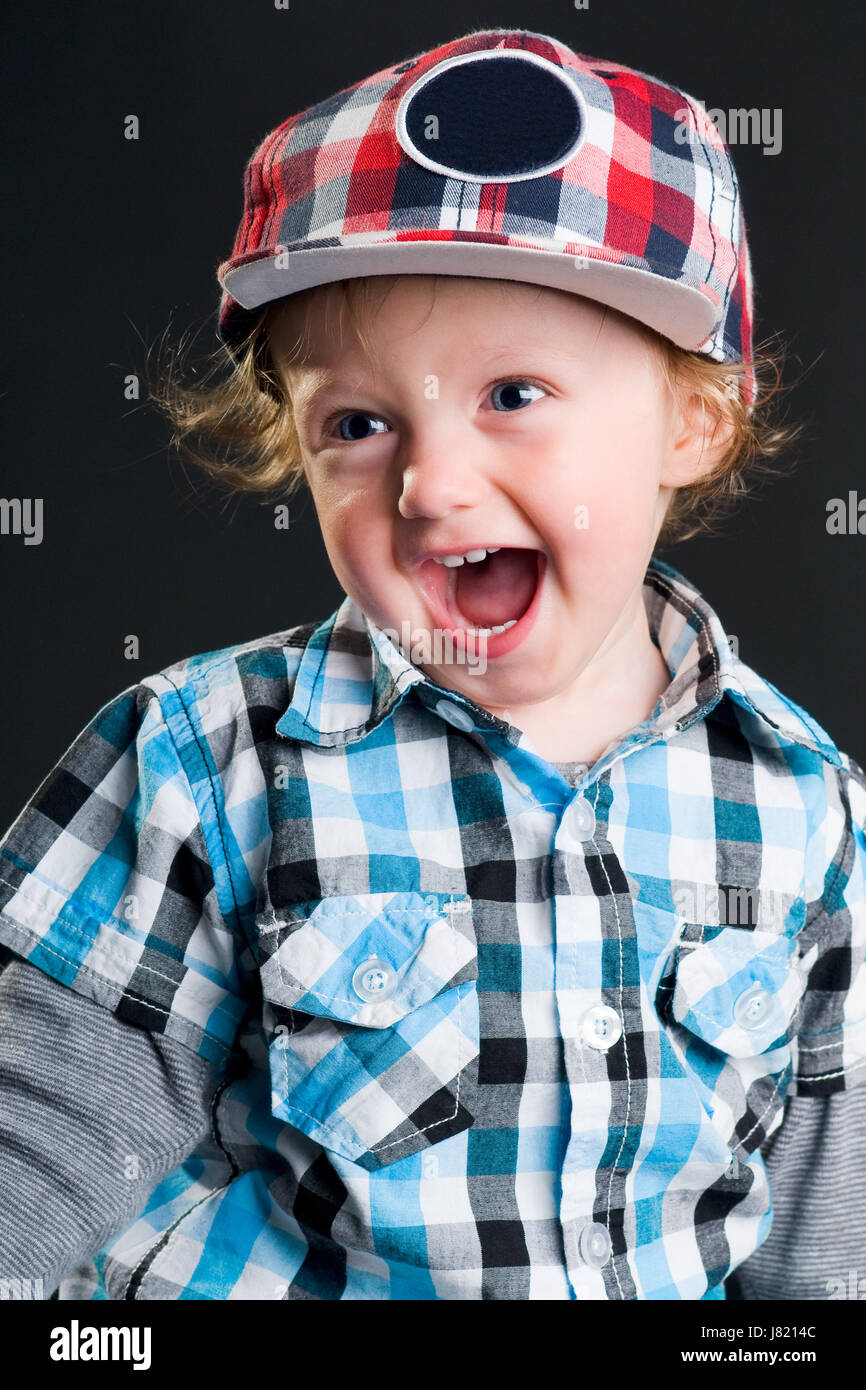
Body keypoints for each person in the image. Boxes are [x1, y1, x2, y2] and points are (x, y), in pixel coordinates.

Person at [1, 26, 864, 1301]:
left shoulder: (805, 809)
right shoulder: (205, 758)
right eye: (356, 424)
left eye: (513, 394)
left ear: (694, 418)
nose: (428, 484)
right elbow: (51, 1132)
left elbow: (820, 1237)